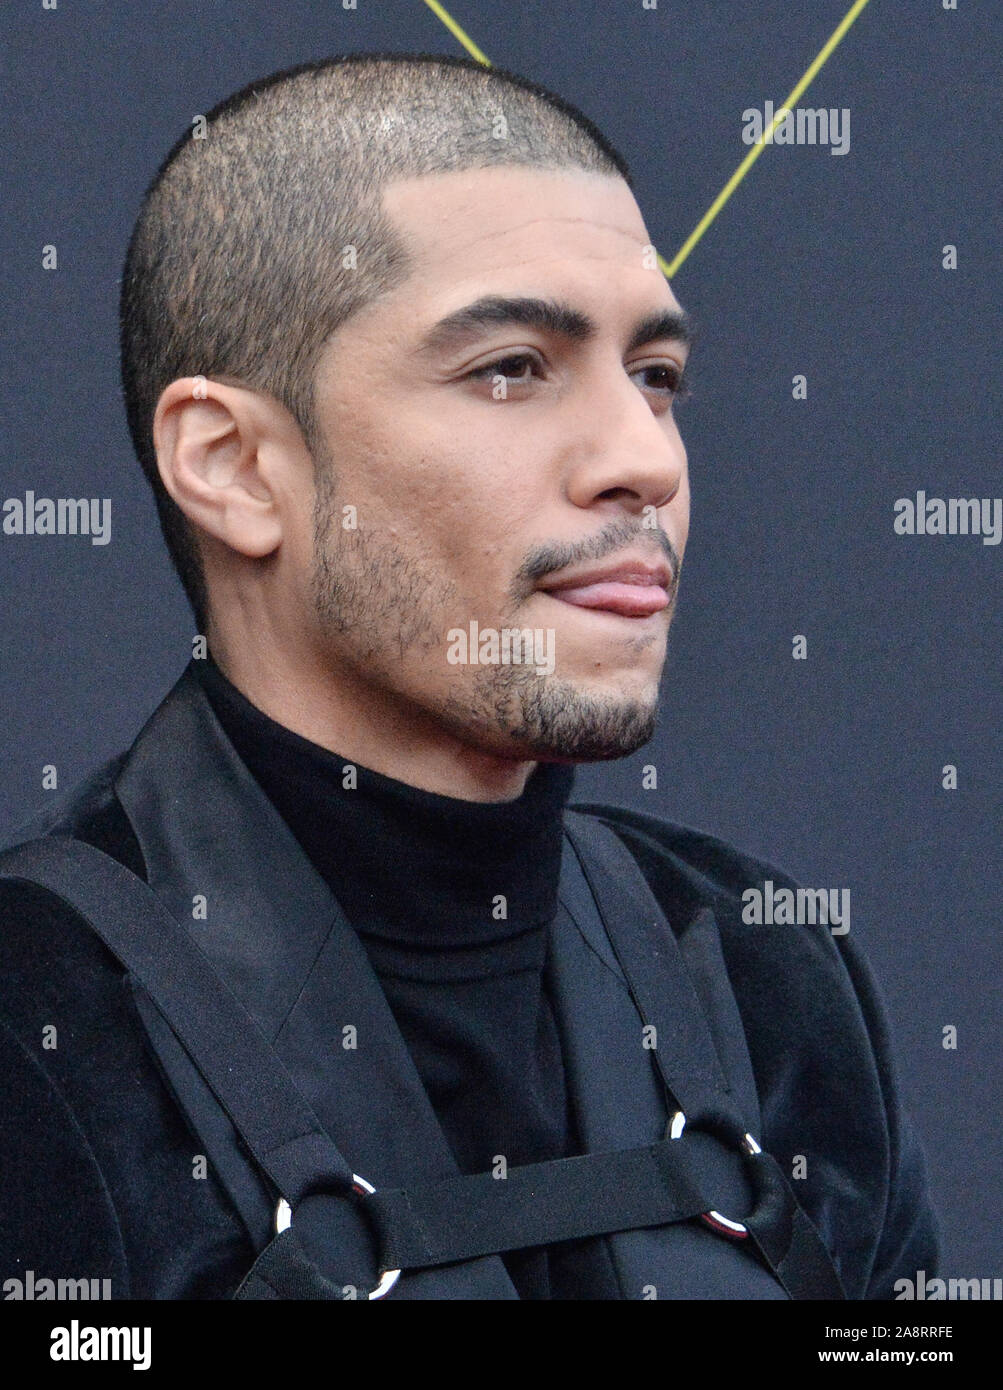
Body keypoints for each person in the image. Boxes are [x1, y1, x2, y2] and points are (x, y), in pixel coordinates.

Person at [0, 52, 938, 1301]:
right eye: (510, 368)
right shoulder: (36, 1027)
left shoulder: (770, 977)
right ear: (230, 465)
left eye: (654, 377)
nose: (643, 460)